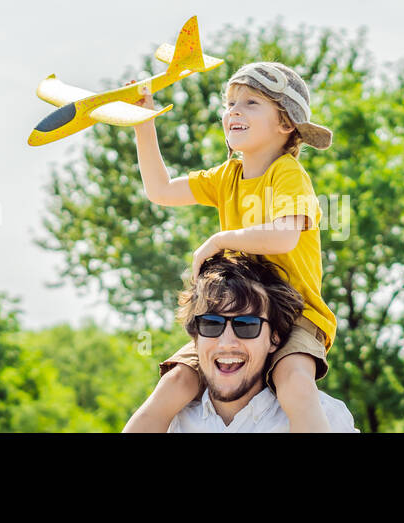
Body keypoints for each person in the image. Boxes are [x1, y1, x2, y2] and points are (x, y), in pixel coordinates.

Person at [122, 62, 339, 432]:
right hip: (239, 313)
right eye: (230, 103)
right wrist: (144, 124)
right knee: (174, 384)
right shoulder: (227, 176)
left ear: (285, 123)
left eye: (251, 102)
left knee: (293, 383)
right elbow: (160, 190)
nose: (234, 111)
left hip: (298, 315)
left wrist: (221, 240)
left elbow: (285, 235)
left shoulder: (286, 174)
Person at [163, 253, 356, 433]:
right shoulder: (172, 421)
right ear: (196, 337)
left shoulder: (325, 417)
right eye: (212, 324)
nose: (227, 343)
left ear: (274, 338)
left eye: (247, 325)